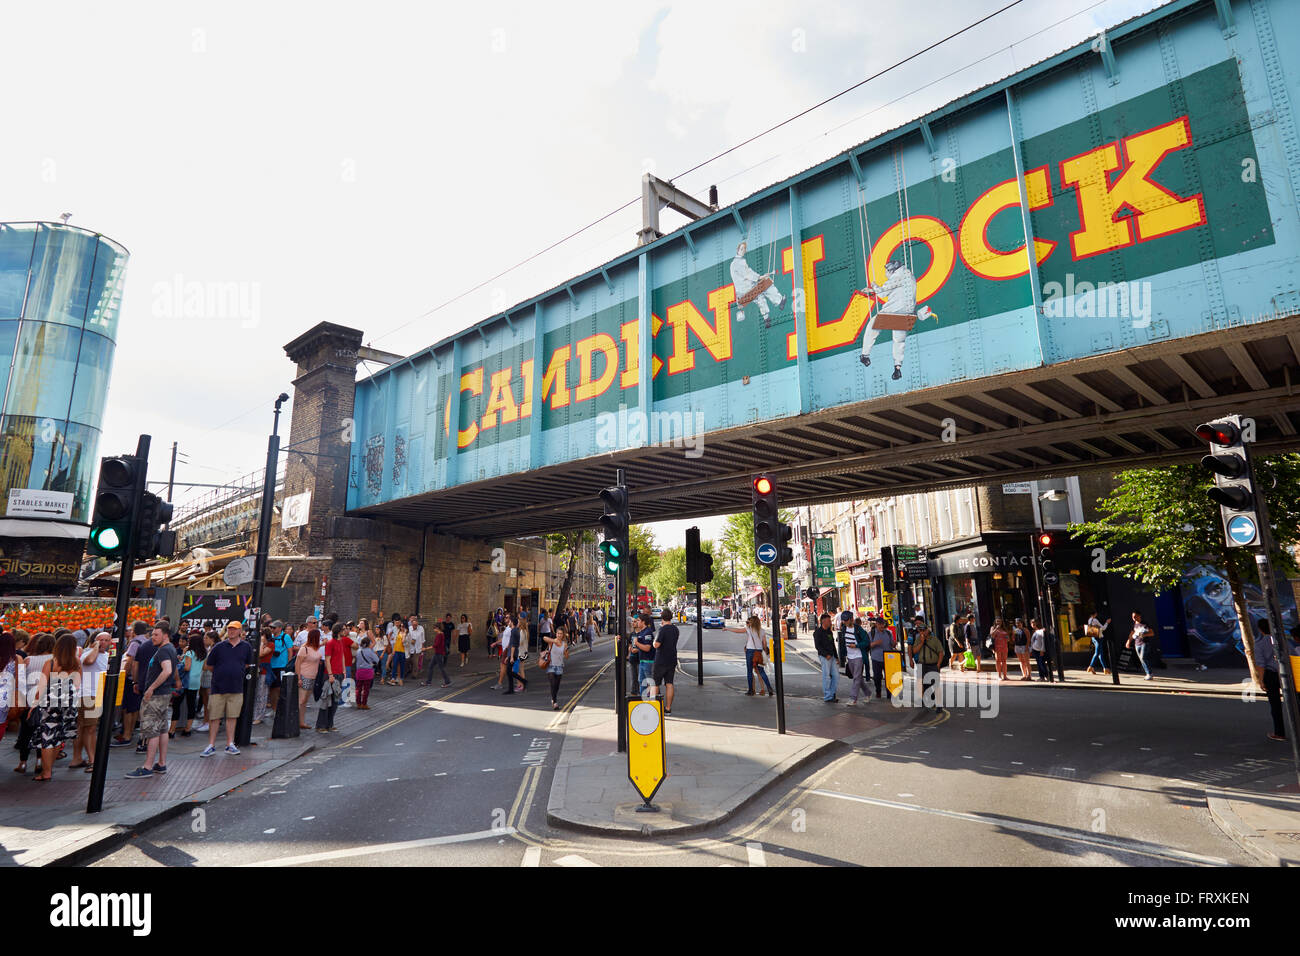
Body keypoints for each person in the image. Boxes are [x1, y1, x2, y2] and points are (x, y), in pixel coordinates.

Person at [857, 258, 936, 380]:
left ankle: (865, 355)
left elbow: (883, 293)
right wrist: (873, 291)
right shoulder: (910, 277)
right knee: (899, 341)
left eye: (887, 271)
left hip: (893, 312)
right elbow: (897, 289)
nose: (886, 273)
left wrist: (873, 285)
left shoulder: (898, 276)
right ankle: (897, 368)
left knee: (872, 326)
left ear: (892, 270)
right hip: (907, 314)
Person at [124, 624, 178, 778]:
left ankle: (147, 766)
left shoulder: (164, 650)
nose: (152, 637)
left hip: (156, 696)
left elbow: (167, 670)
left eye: (156, 635)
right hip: (163, 694)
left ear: (165, 635)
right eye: (152, 634)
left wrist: (151, 688)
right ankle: (161, 763)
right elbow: (170, 671)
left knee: (152, 730)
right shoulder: (169, 649)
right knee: (161, 729)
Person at [31, 634, 82, 782]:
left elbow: (42, 685)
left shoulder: (51, 663)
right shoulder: (76, 662)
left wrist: (34, 704)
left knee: (47, 735)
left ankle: (47, 772)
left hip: (51, 700)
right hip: (69, 701)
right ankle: (49, 769)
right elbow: (78, 684)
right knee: (59, 735)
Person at [201, 621, 251, 756]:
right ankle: (211, 745)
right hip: (218, 687)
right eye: (229, 629)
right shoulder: (219, 647)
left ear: (240, 631)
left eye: (234, 629)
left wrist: (235, 671)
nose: (231, 631)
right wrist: (221, 672)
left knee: (232, 716)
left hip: (236, 687)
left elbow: (246, 664)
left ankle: (230, 744)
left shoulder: (246, 647)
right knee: (214, 717)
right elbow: (209, 665)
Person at [70, 631, 111, 769]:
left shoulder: (107, 655)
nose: (104, 643)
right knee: (90, 728)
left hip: (97, 693)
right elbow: (89, 661)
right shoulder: (88, 653)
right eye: (101, 640)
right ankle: (92, 760)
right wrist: (95, 647)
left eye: (107, 640)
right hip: (87, 694)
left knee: (83, 727)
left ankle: (77, 758)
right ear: (94, 641)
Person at [730, 239, 787, 327]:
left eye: (744, 249)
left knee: (759, 298)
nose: (743, 251)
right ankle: (780, 301)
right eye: (741, 249)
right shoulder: (739, 262)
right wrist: (761, 277)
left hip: (741, 294)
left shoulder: (734, 264)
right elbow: (748, 274)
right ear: (737, 250)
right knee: (766, 283)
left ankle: (766, 319)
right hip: (747, 290)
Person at [112, 621, 151, 748]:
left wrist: (124, 675)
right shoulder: (147, 642)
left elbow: (130, 661)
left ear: (134, 630)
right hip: (142, 678)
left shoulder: (135, 643)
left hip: (131, 679)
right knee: (134, 707)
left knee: (128, 708)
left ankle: (126, 735)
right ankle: (130, 732)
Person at [1255, 619, 1287, 741]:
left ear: (1260, 629)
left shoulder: (1259, 644)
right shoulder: (1282, 642)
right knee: (1294, 703)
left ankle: (1279, 732)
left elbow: (1261, 664)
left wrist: (1261, 680)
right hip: (1284, 672)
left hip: (1270, 675)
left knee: (1275, 705)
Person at [316, 625, 345, 731]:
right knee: (326, 700)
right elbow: (327, 660)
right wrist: (330, 674)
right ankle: (320, 725)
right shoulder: (330, 643)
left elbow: (342, 656)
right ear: (338, 631)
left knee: (335, 700)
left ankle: (330, 724)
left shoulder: (340, 642)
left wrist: (344, 670)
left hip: (339, 674)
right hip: (330, 675)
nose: (345, 630)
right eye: (344, 629)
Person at [652, 609, 680, 714]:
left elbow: (656, 645)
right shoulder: (675, 629)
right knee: (669, 684)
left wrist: (655, 639)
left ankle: (655, 708)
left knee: (655, 684)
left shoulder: (662, 629)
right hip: (672, 659)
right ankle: (668, 708)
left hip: (661, 660)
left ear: (662, 617)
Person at [295, 629, 323, 728]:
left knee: (305, 701)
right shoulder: (304, 649)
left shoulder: (316, 648)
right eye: (319, 636)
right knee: (301, 700)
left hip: (312, 677)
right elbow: (297, 664)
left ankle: (301, 722)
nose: (320, 638)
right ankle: (296, 722)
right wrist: (298, 678)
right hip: (304, 676)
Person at [913, 622, 945, 710]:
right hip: (921, 664)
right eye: (920, 630)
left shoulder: (934, 640)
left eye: (924, 630)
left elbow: (941, 652)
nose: (922, 632)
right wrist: (921, 642)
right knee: (921, 683)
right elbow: (914, 651)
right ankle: (922, 701)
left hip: (933, 664)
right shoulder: (918, 640)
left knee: (935, 685)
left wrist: (938, 664)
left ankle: (939, 705)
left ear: (927, 630)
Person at [266, 621, 292, 718]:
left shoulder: (286, 637)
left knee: (280, 688)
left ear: (280, 628)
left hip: (282, 666)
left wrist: (288, 665)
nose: (272, 629)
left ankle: (282, 709)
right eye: (271, 628)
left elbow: (290, 651)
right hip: (271, 666)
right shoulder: (270, 637)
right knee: (272, 689)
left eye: (274, 627)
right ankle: (274, 709)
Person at [844, 617, 871, 705]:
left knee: (856, 678)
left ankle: (853, 698)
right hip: (850, 657)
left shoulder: (859, 630)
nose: (845, 622)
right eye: (843, 620)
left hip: (858, 656)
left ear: (851, 619)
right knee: (858, 678)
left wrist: (856, 645)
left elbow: (866, 642)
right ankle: (868, 693)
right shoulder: (843, 628)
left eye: (846, 620)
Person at [813, 613, 839, 704]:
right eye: (828, 621)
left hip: (831, 656)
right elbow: (817, 646)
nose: (830, 622)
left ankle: (832, 694)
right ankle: (828, 696)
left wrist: (836, 656)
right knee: (826, 676)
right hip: (825, 657)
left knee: (836, 676)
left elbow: (832, 644)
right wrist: (825, 654)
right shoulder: (818, 632)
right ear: (823, 621)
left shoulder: (829, 632)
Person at [542, 625, 569, 710]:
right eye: (557, 633)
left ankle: (553, 698)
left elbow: (567, 656)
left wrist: (566, 651)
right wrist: (554, 641)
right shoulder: (552, 642)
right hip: (551, 666)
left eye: (560, 634)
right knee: (553, 684)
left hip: (560, 667)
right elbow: (544, 638)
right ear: (556, 634)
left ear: (563, 635)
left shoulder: (564, 644)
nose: (559, 635)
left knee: (556, 686)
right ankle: (555, 702)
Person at [631, 612, 656, 699]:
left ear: (643, 622)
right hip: (642, 661)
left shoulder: (647, 633)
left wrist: (637, 643)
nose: (637, 622)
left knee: (650, 682)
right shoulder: (642, 632)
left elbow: (647, 648)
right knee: (641, 682)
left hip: (648, 662)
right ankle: (643, 701)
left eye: (638, 620)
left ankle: (651, 702)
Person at [868, 617, 892, 700]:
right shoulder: (871, 633)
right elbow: (868, 646)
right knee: (877, 677)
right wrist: (875, 643)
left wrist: (894, 644)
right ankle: (878, 691)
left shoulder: (888, 633)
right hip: (876, 659)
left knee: (889, 677)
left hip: (888, 659)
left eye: (883, 624)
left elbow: (892, 645)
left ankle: (889, 694)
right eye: (880, 624)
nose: (882, 626)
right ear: (876, 624)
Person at [423, 617, 451, 687]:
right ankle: (428, 682)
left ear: (437, 628)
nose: (434, 629)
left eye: (434, 628)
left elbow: (435, 645)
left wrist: (426, 648)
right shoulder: (441, 634)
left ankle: (447, 681)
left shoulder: (439, 635)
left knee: (441, 668)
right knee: (430, 666)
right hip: (438, 654)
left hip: (439, 654)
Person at [354, 636, 379, 710]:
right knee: (366, 689)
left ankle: (358, 703)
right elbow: (377, 660)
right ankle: (364, 704)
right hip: (368, 671)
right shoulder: (370, 651)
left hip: (359, 671)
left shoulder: (358, 651)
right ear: (368, 644)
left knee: (358, 688)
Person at [1127, 611, 1153, 681]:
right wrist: (1128, 642)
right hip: (1137, 644)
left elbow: (1152, 633)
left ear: (1139, 616)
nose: (1134, 618)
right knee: (1142, 659)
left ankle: (1149, 673)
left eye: (1135, 616)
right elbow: (1132, 633)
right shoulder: (1134, 624)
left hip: (1144, 643)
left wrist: (1144, 635)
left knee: (1143, 658)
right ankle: (1148, 673)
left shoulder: (1145, 623)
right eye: (1132, 617)